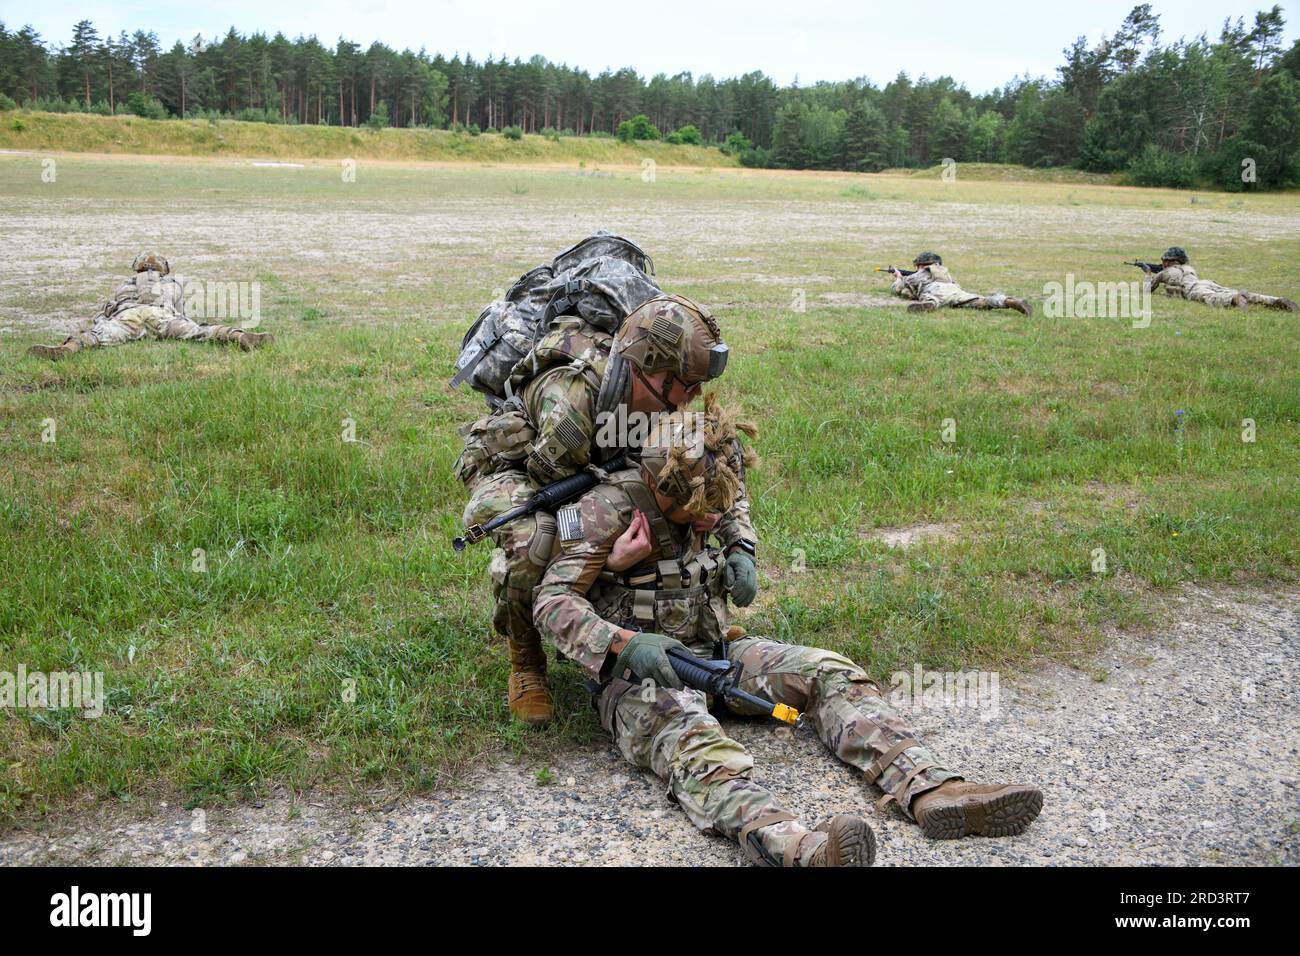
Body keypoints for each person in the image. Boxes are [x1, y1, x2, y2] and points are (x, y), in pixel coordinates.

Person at [531, 397, 1044, 866]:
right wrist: (624, 644)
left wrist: (740, 549)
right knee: (692, 736)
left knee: (828, 673)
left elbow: (733, 506)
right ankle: (793, 846)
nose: (712, 517)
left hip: (717, 652)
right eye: (700, 512)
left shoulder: (712, 466)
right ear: (665, 488)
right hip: (638, 678)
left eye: (717, 509)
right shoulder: (603, 510)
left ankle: (931, 789)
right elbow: (550, 603)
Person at [456, 293, 759, 725]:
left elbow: (713, 469)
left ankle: (690, 622)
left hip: (594, 470)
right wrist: (603, 561)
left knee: (679, 493)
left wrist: (739, 542)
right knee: (534, 543)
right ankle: (526, 662)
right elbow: (568, 509)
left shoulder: (661, 394)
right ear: (648, 366)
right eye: (686, 384)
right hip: (524, 472)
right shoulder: (575, 404)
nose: (695, 395)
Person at [26, 253, 272, 360]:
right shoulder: (173, 283)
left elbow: (110, 309)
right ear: (165, 269)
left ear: (137, 268)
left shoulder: (125, 284)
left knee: (97, 337)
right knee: (199, 332)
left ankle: (68, 349)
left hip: (128, 317)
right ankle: (237, 335)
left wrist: (100, 323)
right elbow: (181, 313)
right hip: (162, 316)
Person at [1141, 247, 1298, 310]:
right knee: (1237, 291)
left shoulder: (1164, 273)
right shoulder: (1188, 267)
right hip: (1206, 282)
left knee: (1215, 298)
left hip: (1193, 288)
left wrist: (1148, 274)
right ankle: (1273, 300)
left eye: (1164, 260)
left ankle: (1235, 300)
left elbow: (1147, 290)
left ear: (1169, 261)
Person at [889, 252, 1032, 315]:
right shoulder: (945, 271)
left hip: (935, 290)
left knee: (933, 298)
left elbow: (903, 285)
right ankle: (1008, 301)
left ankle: (930, 305)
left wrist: (898, 278)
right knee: (979, 301)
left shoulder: (925, 271)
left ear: (921, 264)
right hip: (955, 290)